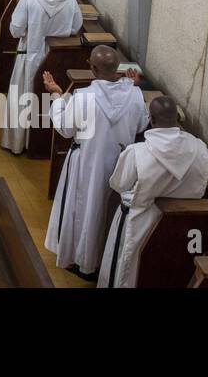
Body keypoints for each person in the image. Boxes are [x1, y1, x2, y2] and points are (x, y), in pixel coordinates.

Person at [42, 46, 148, 279]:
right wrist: (134, 86)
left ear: (92, 68)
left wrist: (58, 96)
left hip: (86, 163)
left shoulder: (83, 97)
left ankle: (80, 260)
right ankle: (100, 261)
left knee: (83, 210)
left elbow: (65, 129)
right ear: (117, 68)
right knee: (105, 212)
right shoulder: (134, 94)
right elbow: (141, 126)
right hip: (120, 166)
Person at [100, 96, 208, 288]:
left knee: (130, 272)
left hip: (141, 223)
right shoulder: (199, 148)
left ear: (151, 120)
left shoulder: (137, 152)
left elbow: (118, 184)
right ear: (177, 118)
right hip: (181, 227)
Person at [1, 0, 83, 155]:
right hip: (56, 58)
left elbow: (15, 30)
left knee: (23, 99)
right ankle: (42, 146)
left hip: (30, 54)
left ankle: (18, 143)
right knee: (50, 100)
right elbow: (76, 27)